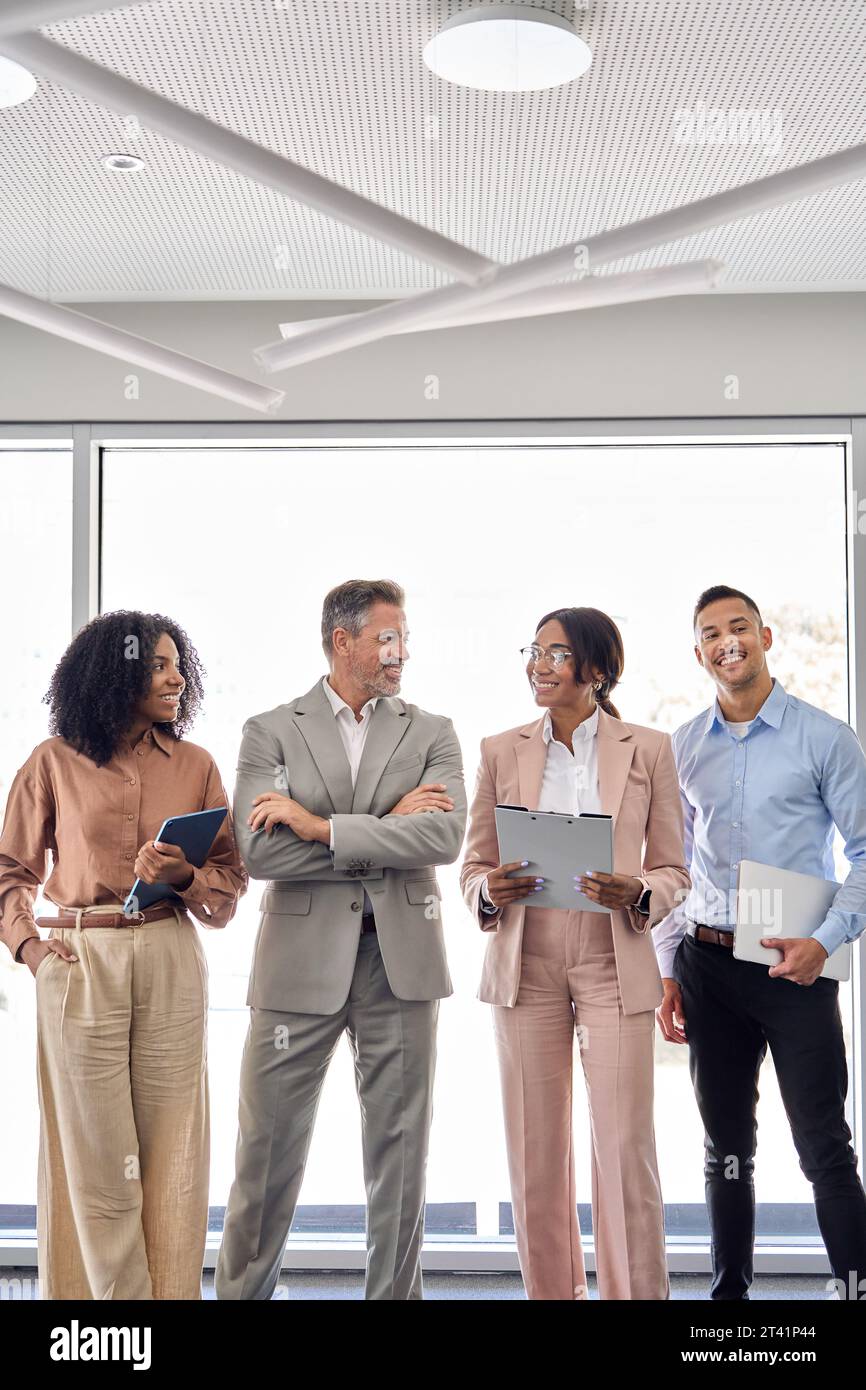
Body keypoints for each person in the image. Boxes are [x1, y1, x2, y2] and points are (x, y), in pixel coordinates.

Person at [216, 578, 466, 1301]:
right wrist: (390, 824)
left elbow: (443, 836)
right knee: (265, 1149)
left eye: (405, 638)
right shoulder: (271, 730)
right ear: (343, 642)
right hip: (297, 967)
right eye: (389, 638)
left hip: (403, 965)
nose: (402, 653)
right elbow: (260, 855)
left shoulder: (432, 731)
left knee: (400, 1151)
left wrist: (321, 825)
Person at [0, 611, 247, 1300]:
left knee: (174, 1157)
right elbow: (8, 871)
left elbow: (227, 891)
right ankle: (111, 1321)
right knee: (95, 1157)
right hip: (79, 961)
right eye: (159, 667)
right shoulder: (52, 761)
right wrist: (34, 952)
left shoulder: (196, 766)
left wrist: (183, 878)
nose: (177, 679)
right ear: (117, 675)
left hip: (169, 951)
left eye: (178, 667)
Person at [460, 607, 688, 1300]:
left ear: (595, 670)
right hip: (524, 956)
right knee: (535, 1151)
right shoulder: (501, 749)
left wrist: (638, 889)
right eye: (533, 651)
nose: (538, 664)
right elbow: (472, 868)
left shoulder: (647, 748)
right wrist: (490, 891)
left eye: (555, 654)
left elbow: (676, 869)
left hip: (611, 951)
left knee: (623, 1149)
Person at [654, 584, 866, 1301]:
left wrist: (825, 940)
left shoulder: (824, 737)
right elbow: (672, 866)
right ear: (699, 653)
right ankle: (728, 1305)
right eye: (711, 634)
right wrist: (667, 971)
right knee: (726, 1150)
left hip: (793, 968)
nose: (727, 642)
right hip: (707, 963)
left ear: (765, 636)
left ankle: (855, 1287)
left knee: (824, 1146)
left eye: (738, 627)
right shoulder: (682, 748)